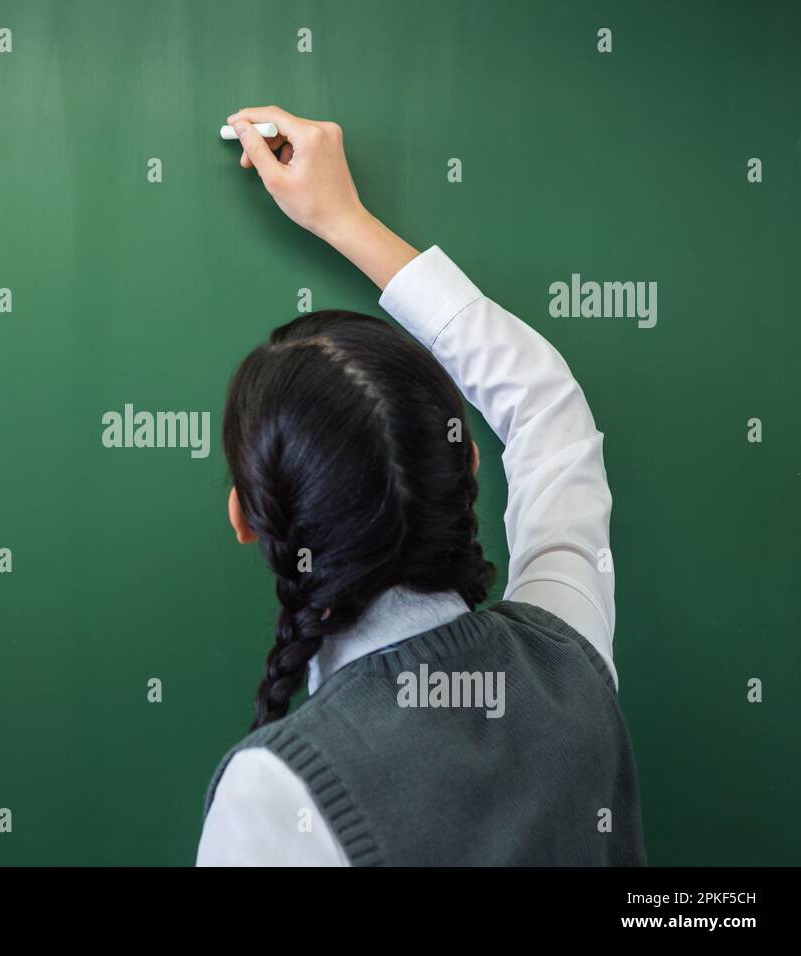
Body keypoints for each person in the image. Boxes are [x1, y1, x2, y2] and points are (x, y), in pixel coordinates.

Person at [197, 106, 645, 866]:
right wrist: (348, 222)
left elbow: (545, 412)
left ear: (245, 518)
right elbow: (544, 408)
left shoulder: (276, 792)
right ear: (467, 459)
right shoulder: (568, 654)